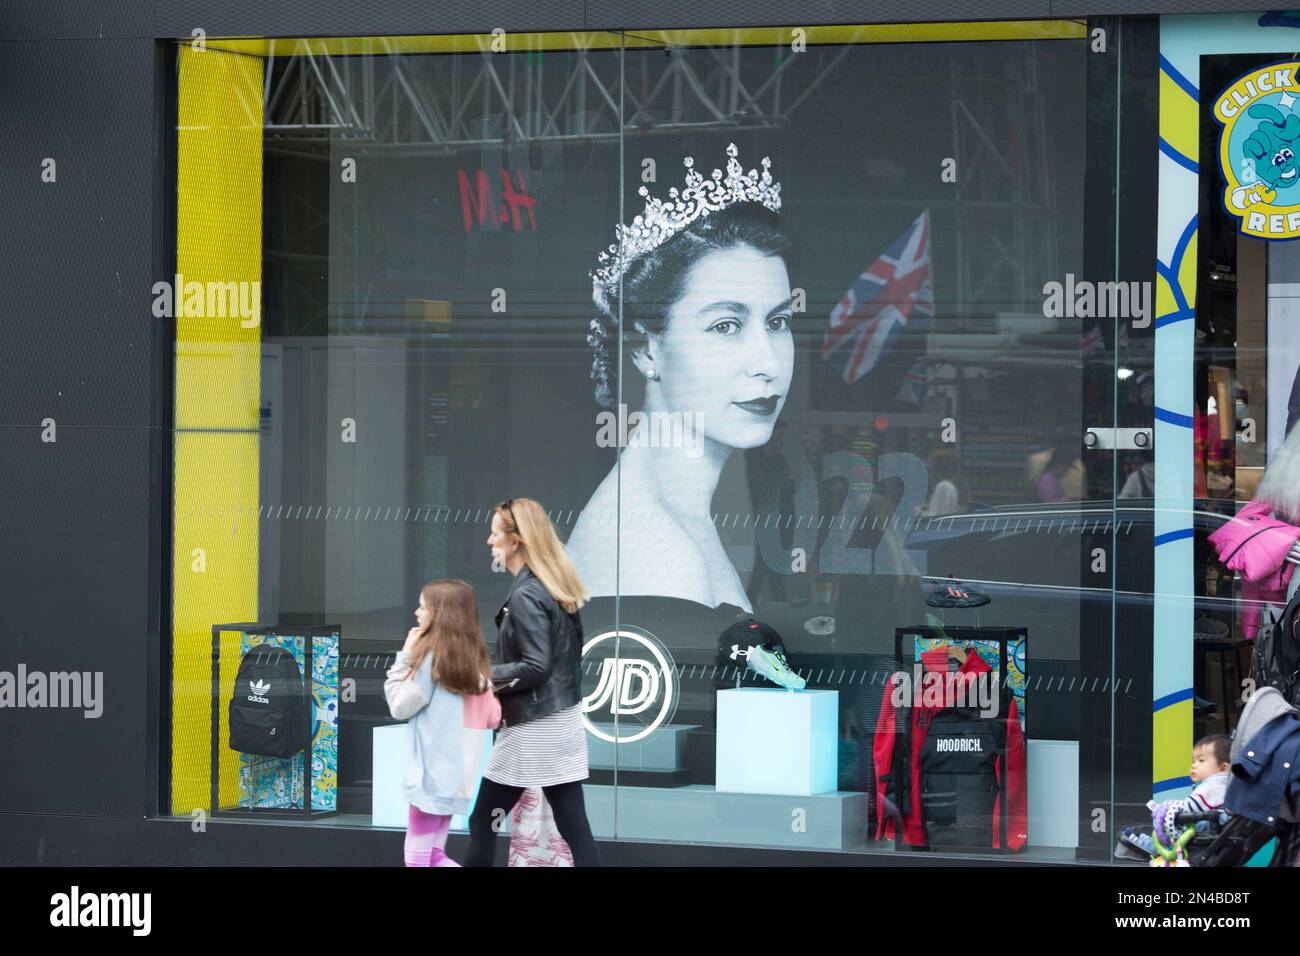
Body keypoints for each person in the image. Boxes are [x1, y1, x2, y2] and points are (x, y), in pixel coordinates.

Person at [567, 143, 793, 612]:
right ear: (647, 349)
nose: (768, 362)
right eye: (726, 326)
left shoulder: (681, 519)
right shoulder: (655, 552)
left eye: (777, 321)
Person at [463, 497, 602, 866]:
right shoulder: (552, 586)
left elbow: (536, 666)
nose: (489, 542)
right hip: (560, 721)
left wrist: (484, 677)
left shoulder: (526, 595)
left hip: (533, 728)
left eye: (495, 535)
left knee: (483, 821)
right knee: (575, 826)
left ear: (516, 541)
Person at [383, 579, 501, 868]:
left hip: (430, 776)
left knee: (417, 860)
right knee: (434, 856)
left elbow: (399, 706)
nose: (417, 613)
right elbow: (493, 716)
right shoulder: (473, 661)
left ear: (439, 615)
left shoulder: (431, 661)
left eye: (423, 607)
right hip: (455, 777)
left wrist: (406, 655)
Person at [1119, 734, 1232, 857]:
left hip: (1206, 829)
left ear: (1223, 768)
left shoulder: (1214, 785)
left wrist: (1167, 807)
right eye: (1193, 761)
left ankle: (1151, 845)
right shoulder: (1226, 785)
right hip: (1214, 829)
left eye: (1201, 761)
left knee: (1177, 827)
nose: (1194, 765)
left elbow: (1188, 807)